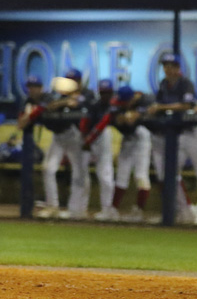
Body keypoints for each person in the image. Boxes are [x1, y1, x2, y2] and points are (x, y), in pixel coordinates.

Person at [146, 53, 197, 225]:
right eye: (165, 66)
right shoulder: (164, 85)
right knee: (168, 174)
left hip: (193, 133)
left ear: (178, 68)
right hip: (177, 135)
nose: (168, 69)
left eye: (171, 66)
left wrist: (161, 107)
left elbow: (186, 106)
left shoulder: (185, 83)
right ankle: (183, 212)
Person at [19, 70, 92, 220]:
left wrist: (61, 103)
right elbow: (22, 123)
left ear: (41, 87)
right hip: (57, 137)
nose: (32, 89)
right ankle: (52, 206)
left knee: (80, 171)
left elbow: (51, 105)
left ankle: (79, 209)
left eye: (35, 86)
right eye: (30, 86)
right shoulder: (30, 101)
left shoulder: (48, 96)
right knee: (48, 168)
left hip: (71, 134)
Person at [107, 86, 154, 222]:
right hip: (128, 138)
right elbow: (115, 114)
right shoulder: (117, 104)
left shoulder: (146, 99)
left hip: (142, 137)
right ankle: (113, 209)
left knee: (141, 175)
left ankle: (138, 211)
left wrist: (138, 113)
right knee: (122, 174)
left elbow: (149, 109)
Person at [81, 79, 117, 222]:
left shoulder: (114, 105)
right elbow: (84, 122)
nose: (105, 96)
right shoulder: (94, 105)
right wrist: (85, 139)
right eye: (103, 93)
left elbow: (103, 124)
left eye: (107, 93)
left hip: (100, 139)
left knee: (105, 176)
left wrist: (89, 140)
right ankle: (79, 209)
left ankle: (108, 210)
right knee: (81, 175)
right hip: (88, 139)